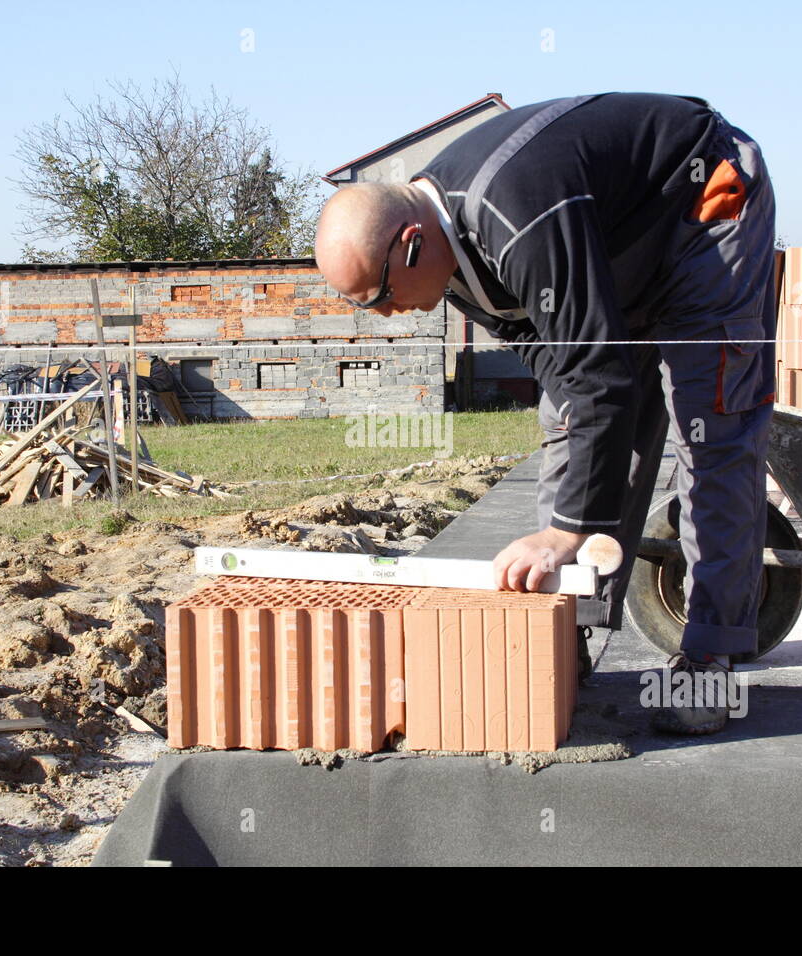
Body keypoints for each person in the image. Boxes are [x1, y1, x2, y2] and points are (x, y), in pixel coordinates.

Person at [314, 92, 776, 734]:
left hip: (703, 202)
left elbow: (599, 373)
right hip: (617, 248)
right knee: (569, 420)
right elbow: (563, 364)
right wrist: (573, 511)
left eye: (381, 297)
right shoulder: (450, 254)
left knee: (710, 424)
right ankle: (572, 628)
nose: (385, 315)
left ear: (412, 243)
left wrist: (567, 531)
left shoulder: (515, 214)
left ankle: (709, 653)